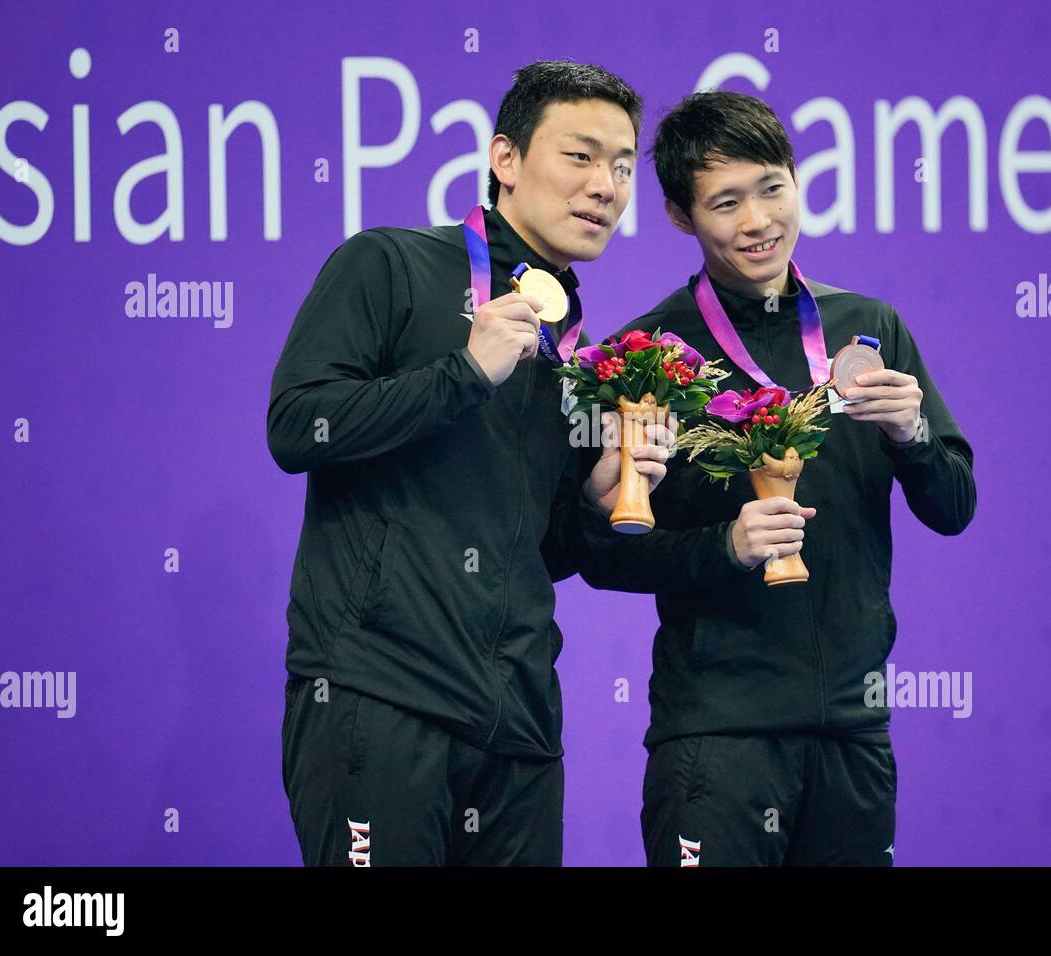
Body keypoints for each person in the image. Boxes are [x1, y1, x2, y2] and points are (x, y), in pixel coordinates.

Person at [267, 60, 674, 866]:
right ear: (506, 159)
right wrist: (461, 373)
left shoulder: (578, 351)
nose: (606, 186)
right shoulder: (390, 264)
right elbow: (296, 426)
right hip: (381, 695)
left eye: (624, 167)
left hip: (517, 718)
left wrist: (594, 502)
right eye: (581, 156)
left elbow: (540, 552)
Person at [579, 91, 977, 866]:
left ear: (797, 179)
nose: (759, 220)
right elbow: (602, 554)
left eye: (772, 187)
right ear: (678, 215)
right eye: (726, 202)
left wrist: (913, 432)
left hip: (853, 733)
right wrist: (724, 546)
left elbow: (954, 506)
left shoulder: (872, 328)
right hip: (718, 738)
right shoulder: (647, 356)